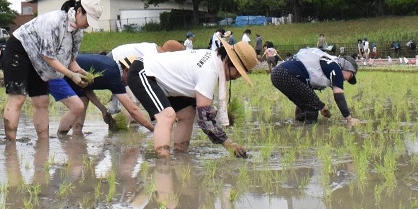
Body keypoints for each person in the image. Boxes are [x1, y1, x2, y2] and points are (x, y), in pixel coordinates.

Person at [126, 39, 256, 158]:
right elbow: (205, 120)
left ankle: (179, 154)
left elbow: (199, 106)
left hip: (161, 80)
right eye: (238, 72)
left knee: (187, 113)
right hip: (143, 72)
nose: (236, 77)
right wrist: (229, 144)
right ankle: (163, 163)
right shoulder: (209, 70)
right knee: (167, 116)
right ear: (228, 61)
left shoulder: (213, 58)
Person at [2, 0, 102, 141]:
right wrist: (71, 75)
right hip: (20, 49)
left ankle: (43, 143)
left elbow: (71, 61)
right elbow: (48, 56)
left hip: (40, 60)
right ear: (79, 11)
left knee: (42, 101)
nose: (88, 25)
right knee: (18, 97)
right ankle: (10, 145)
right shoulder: (54, 21)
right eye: (88, 19)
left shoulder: (78, 33)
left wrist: (82, 73)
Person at [54, 52, 155, 134]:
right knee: (77, 106)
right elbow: (133, 110)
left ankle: (76, 135)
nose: (133, 81)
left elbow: (86, 88)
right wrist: (153, 129)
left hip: (70, 69)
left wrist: (103, 109)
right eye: (134, 77)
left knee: (83, 100)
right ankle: (61, 136)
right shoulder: (114, 77)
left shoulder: (112, 66)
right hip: (59, 71)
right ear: (126, 70)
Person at [270, 47, 359, 126]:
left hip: (277, 73)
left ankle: (298, 126)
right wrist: (349, 119)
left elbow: (307, 93)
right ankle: (309, 134)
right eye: (350, 76)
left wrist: (321, 106)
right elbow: (339, 97)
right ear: (347, 67)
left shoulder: (327, 62)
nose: (347, 80)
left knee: (306, 103)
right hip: (286, 74)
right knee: (312, 107)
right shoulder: (335, 68)